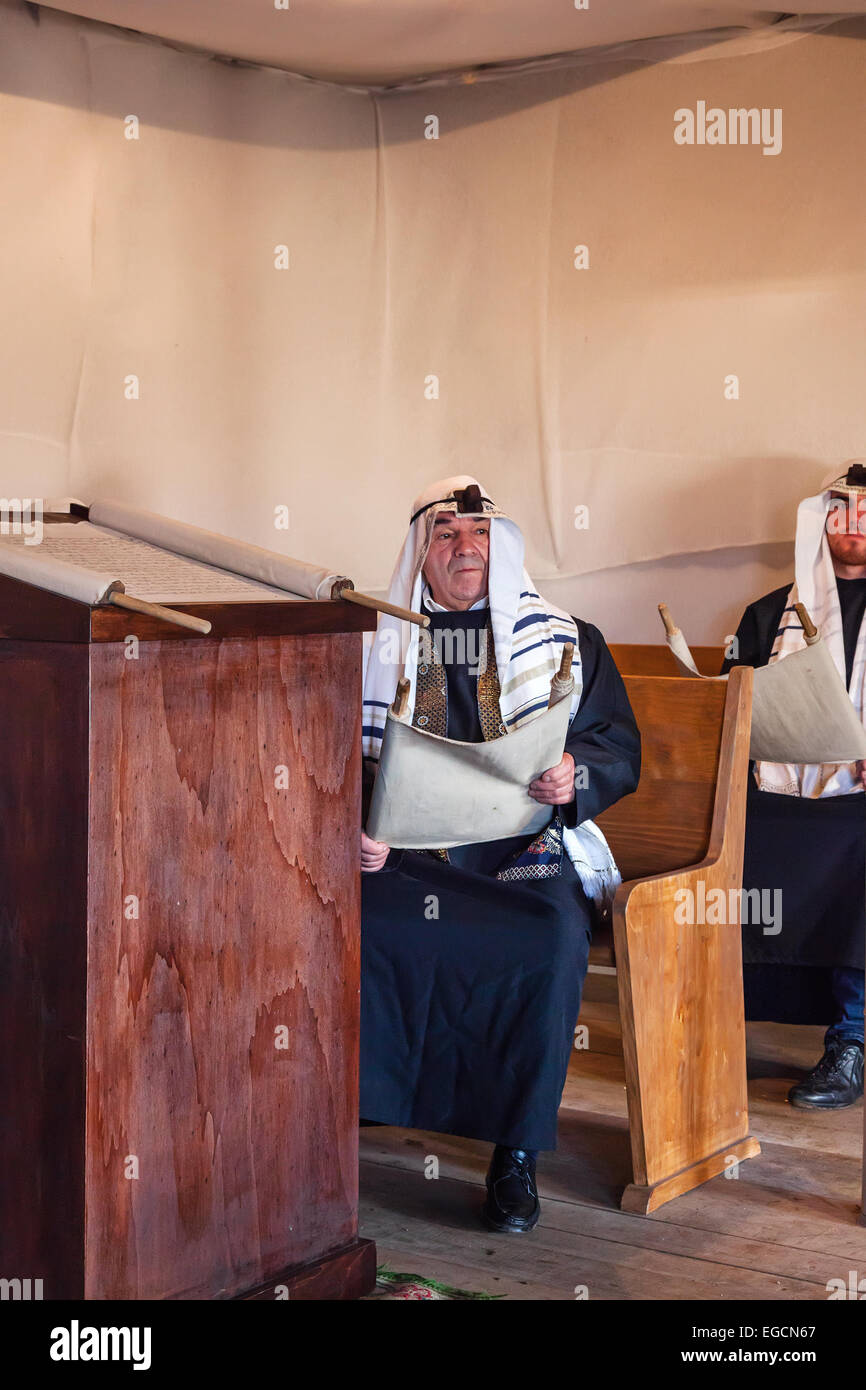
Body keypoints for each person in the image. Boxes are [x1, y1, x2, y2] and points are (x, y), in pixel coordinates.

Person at [359, 476, 640, 1232]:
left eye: (478, 533)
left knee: (547, 939)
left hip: (522, 854)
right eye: (445, 534)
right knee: (349, 924)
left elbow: (617, 744)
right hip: (406, 858)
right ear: (421, 553)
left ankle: (514, 1151)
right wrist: (351, 826)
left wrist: (574, 774)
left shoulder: (567, 639)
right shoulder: (370, 641)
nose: (464, 548)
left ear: (501, 545)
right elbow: (328, 755)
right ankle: (362, 1110)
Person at [723, 462, 866, 1108]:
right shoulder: (766, 615)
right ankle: (716, 1028)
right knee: (730, 833)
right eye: (842, 507)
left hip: (857, 811)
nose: (854, 522)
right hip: (775, 802)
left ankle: (851, 1042)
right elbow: (726, 713)